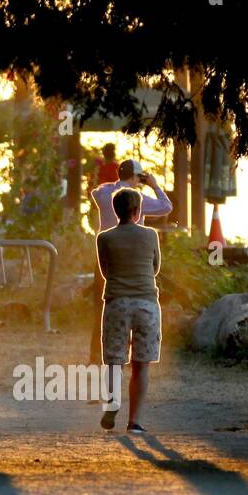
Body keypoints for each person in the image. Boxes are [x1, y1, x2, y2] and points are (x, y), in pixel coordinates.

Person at [89, 160, 172, 363]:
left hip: (108, 255)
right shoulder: (138, 200)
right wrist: (153, 185)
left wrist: (115, 185)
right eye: (140, 177)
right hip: (134, 261)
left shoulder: (105, 193)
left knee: (103, 309)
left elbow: (94, 192)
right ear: (136, 177)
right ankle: (135, 356)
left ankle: (98, 355)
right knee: (137, 306)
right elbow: (166, 207)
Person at [96, 187, 162, 434]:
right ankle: (134, 421)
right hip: (146, 303)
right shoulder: (151, 235)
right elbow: (155, 268)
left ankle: (112, 405)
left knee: (114, 362)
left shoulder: (104, 238)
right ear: (136, 211)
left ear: (116, 211)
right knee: (140, 365)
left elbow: (106, 271)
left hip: (116, 302)